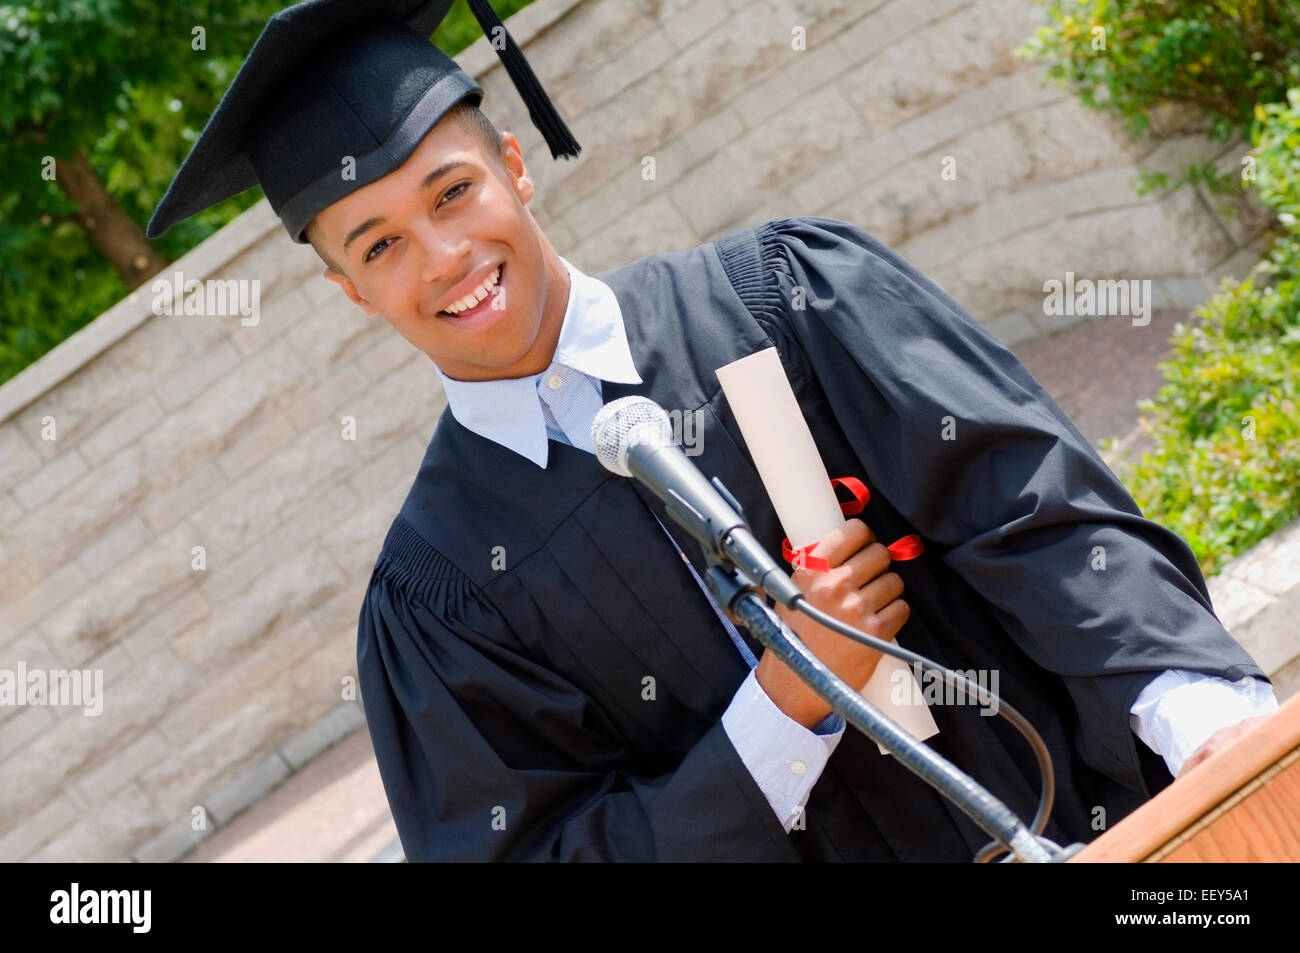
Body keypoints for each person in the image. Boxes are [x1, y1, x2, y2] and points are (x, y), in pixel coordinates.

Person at [147, 0, 1279, 862]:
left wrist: (1198, 716)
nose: (443, 258)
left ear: (512, 166)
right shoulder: (437, 598)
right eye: (380, 244)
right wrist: (783, 709)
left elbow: (1026, 504)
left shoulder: (782, 299)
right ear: (351, 289)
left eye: (450, 194)